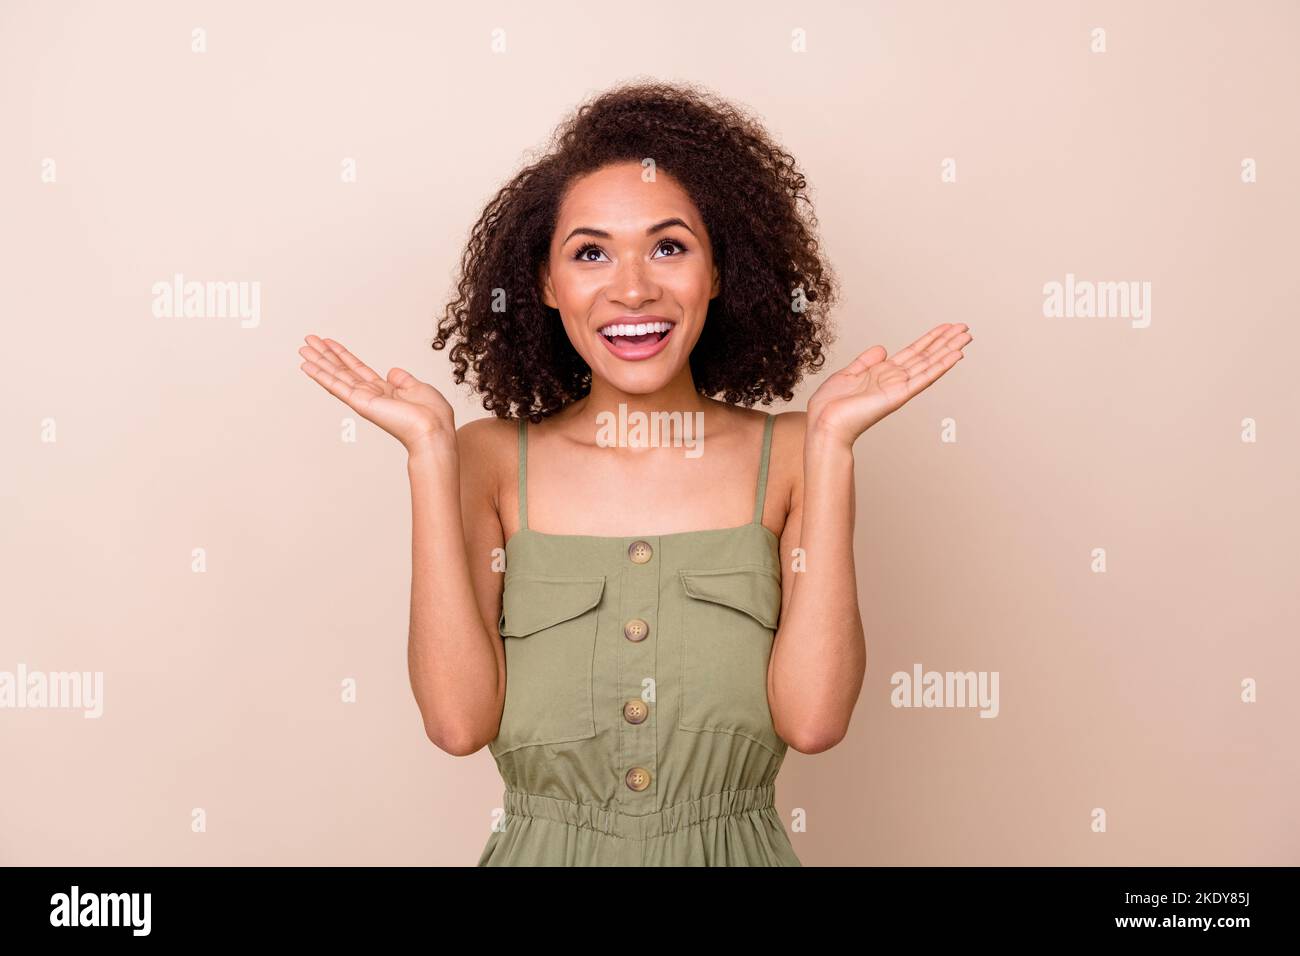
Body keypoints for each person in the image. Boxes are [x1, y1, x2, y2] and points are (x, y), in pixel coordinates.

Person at [298, 80, 971, 866]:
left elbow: (814, 722)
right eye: (590, 253)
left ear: (720, 272)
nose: (632, 288)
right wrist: (426, 454)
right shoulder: (485, 462)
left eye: (669, 246)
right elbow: (457, 724)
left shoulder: (791, 456)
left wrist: (831, 445)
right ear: (546, 285)